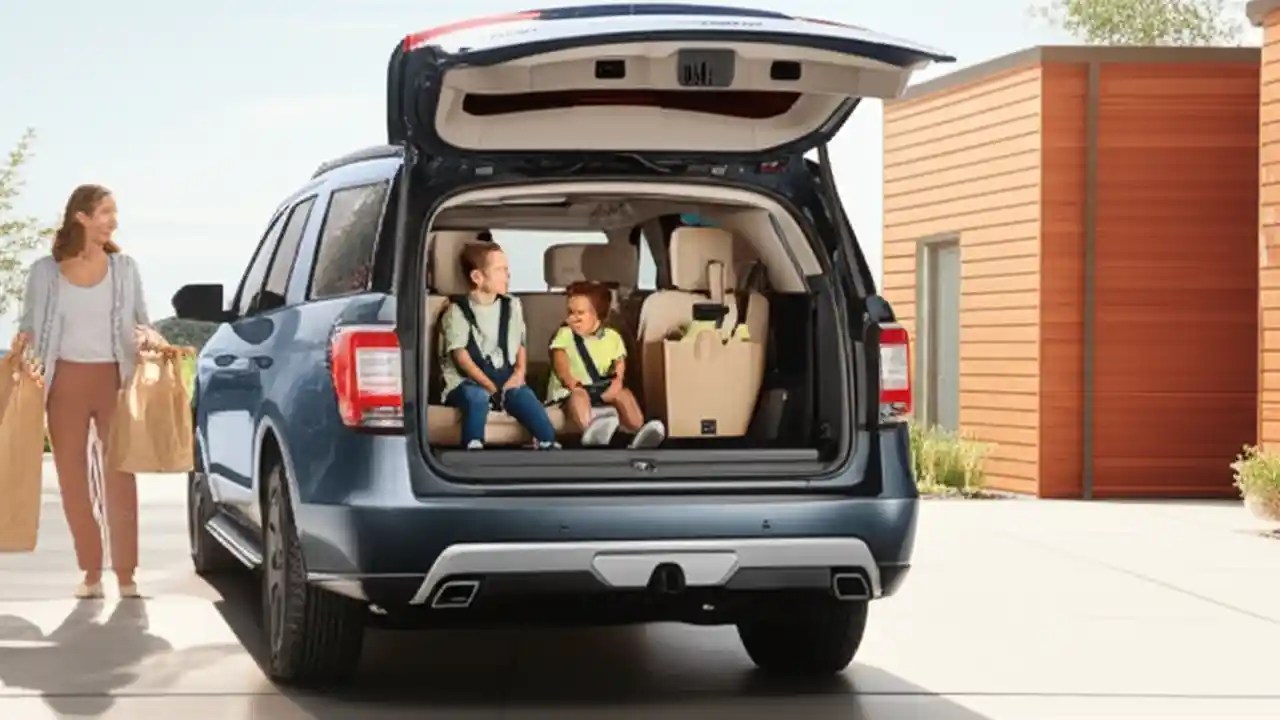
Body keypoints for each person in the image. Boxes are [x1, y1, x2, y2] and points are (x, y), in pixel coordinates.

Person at [12, 184, 161, 600]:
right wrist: (23, 347)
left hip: (114, 380)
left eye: (113, 213)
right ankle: (91, 571)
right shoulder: (44, 272)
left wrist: (150, 337)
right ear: (81, 216)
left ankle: (127, 574)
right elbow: (28, 323)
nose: (113, 221)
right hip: (63, 384)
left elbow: (142, 320)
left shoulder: (125, 268)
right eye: (105, 212)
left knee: (119, 478)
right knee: (74, 482)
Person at [439, 241, 559, 450]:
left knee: (524, 397)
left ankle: (546, 441)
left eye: (507, 270)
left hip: (505, 377)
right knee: (476, 397)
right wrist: (488, 386)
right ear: (477, 277)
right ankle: (473, 444)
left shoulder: (512, 306)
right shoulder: (457, 312)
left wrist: (520, 373)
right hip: (467, 381)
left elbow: (520, 343)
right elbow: (461, 357)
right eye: (500, 270)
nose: (507, 275)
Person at [546, 281, 666, 448]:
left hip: (601, 387)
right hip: (571, 389)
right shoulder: (565, 334)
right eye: (570, 312)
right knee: (579, 398)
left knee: (624, 395)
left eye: (580, 313)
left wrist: (617, 383)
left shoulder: (612, 337)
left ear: (599, 315)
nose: (573, 318)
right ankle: (590, 430)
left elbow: (619, 364)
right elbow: (560, 362)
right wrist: (570, 381)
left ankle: (639, 432)